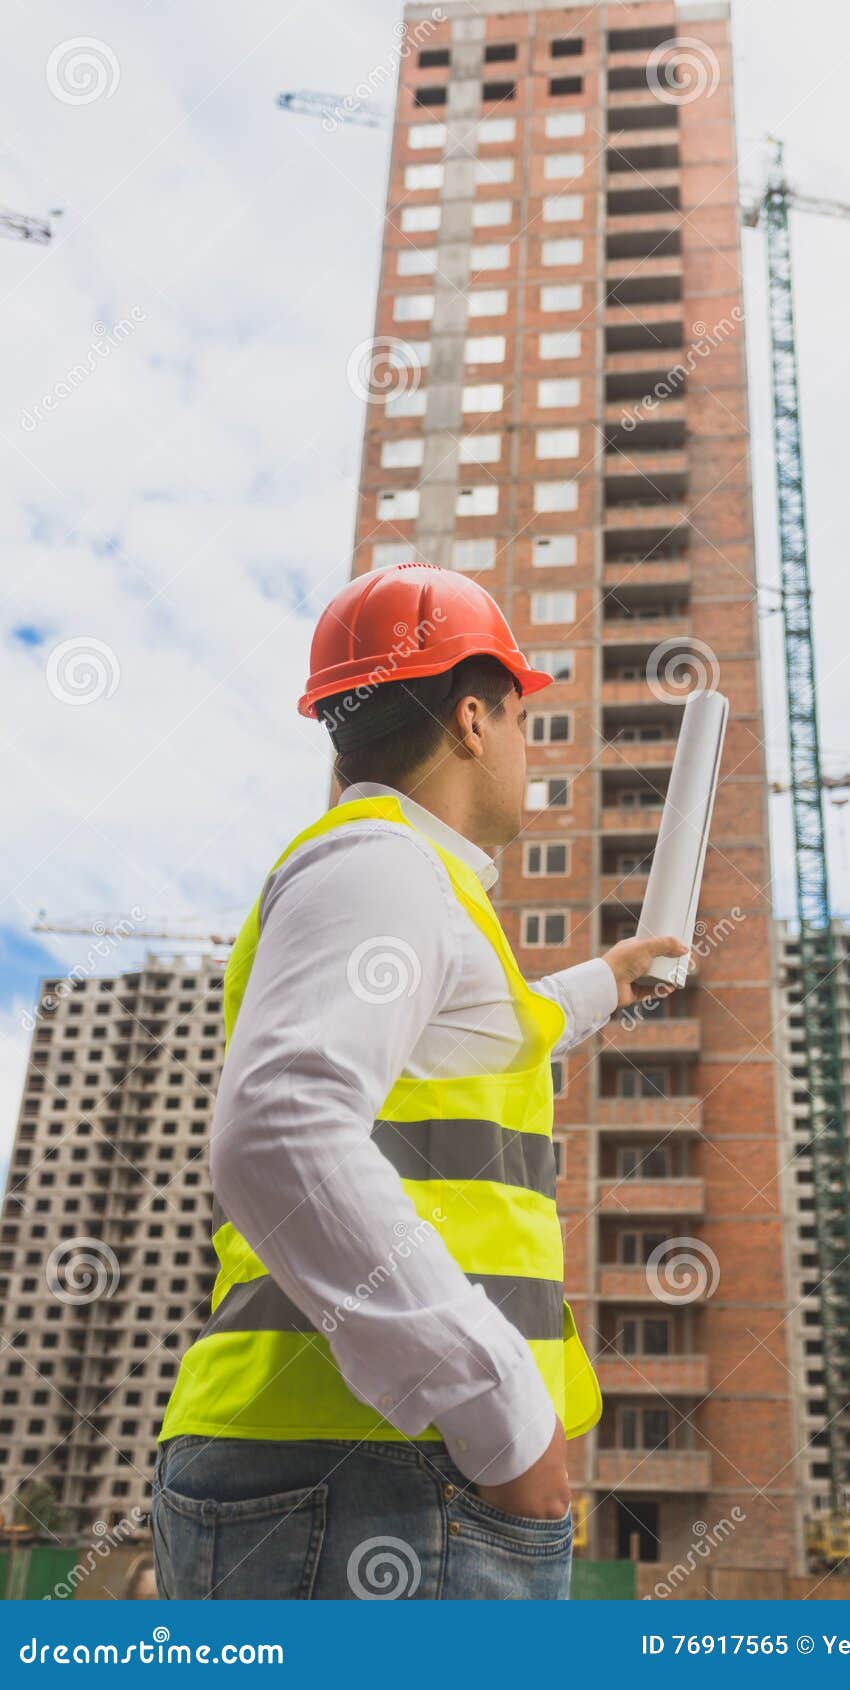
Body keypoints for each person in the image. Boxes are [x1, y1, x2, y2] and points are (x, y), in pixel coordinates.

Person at [151, 562, 685, 1601]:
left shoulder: (404, 878)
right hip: (375, 1471)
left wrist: (602, 984)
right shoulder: (382, 865)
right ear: (474, 718)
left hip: (358, 1468)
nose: (529, 753)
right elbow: (278, 1129)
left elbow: (493, 1027)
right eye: (526, 721)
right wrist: (498, 1409)